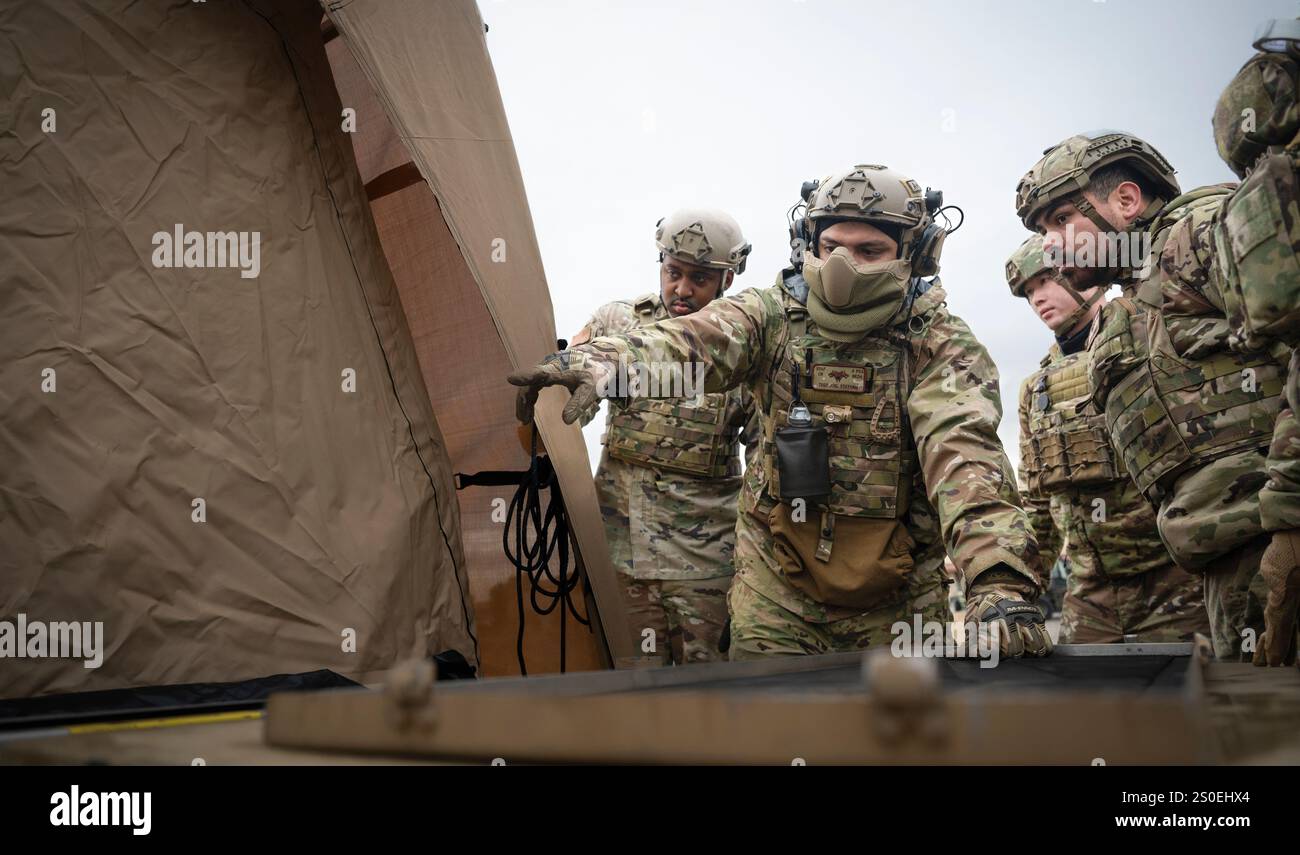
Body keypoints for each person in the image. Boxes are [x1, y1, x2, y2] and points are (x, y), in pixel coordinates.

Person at [512, 164, 1051, 660]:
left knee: (892, 741)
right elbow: (688, 343)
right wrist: (598, 361)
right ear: (805, 245)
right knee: (766, 730)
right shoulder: (769, 317)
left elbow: (965, 459)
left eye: (869, 250)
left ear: (918, 254)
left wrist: (998, 580)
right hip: (777, 591)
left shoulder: (940, 345)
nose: (843, 264)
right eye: (831, 245)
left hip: (897, 598)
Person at [1016, 131, 1283, 660]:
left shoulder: (1193, 235)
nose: (1049, 244)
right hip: (1231, 569)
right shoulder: (1136, 300)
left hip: (1275, 549)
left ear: (1126, 200)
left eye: (1062, 220)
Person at [569, 209, 756, 665]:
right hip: (620, 551)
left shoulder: (743, 347)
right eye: (673, 272)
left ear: (727, 279)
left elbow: (766, 451)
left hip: (705, 565)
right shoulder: (617, 324)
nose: (683, 290)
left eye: (700, 278)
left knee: (707, 701)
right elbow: (573, 390)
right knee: (629, 692)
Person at [1007, 234, 1207, 643]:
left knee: (1198, 698)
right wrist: (1022, 589)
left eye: (1046, 280)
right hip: (1091, 593)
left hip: (1174, 580)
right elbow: (1039, 504)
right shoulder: (1035, 390)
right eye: (1029, 292)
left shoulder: (1150, 342)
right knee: (1084, 704)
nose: (1039, 298)